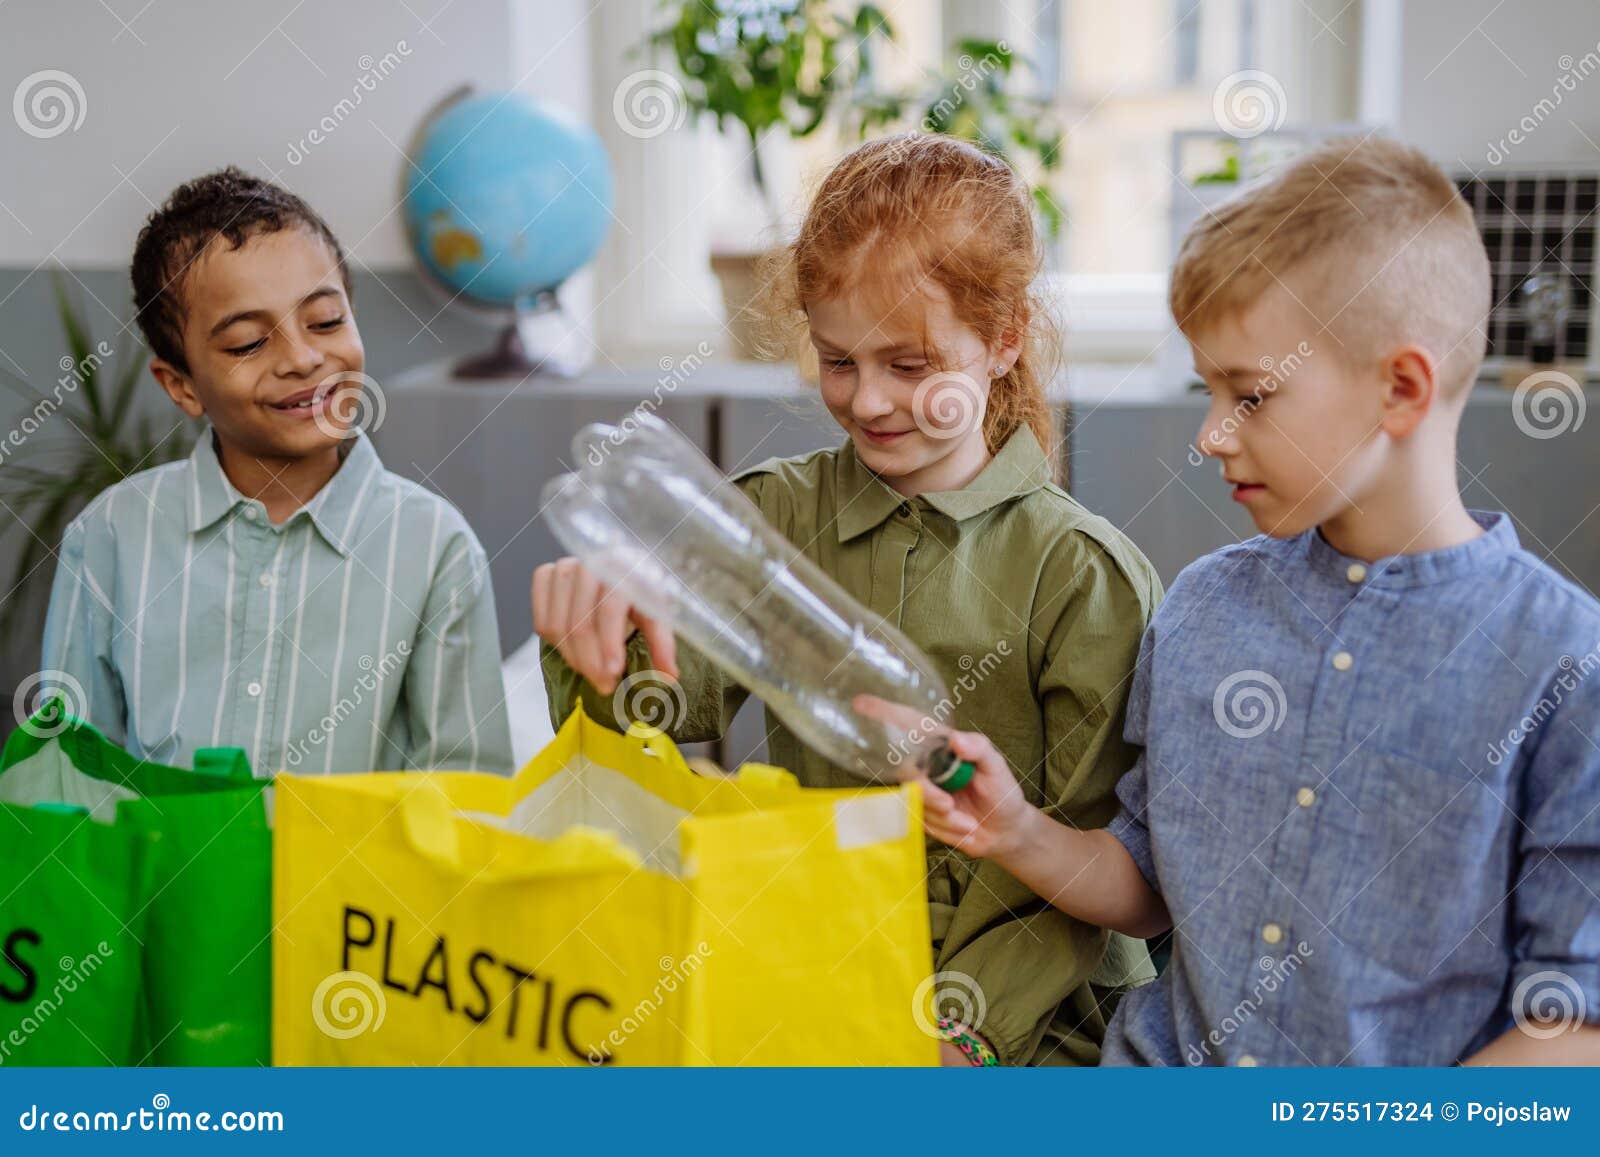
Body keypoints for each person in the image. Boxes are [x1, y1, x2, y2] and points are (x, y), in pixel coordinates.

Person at [916, 137, 1600, 1065]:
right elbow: (1150, 883)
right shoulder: (1202, 609)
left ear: (1401, 388)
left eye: (1252, 395)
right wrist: (1015, 830)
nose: (1210, 435)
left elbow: (1573, 1022)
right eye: (1210, 389)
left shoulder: (1563, 661)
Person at [536, 134, 1161, 1066]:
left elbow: (1102, 864)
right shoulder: (777, 512)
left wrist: (963, 1031)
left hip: (1027, 1027)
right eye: (838, 362)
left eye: (909, 367)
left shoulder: (1079, 575)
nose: (868, 401)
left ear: (1005, 340)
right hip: (816, 979)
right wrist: (602, 635)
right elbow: (657, 713)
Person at [41, 168, 512, 777]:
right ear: (182, 386)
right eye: (246, 343)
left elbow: (464, 793)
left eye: (325, 322)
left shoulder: (433, 549)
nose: (303, 358)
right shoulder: (109, 538)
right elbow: (67, 782)